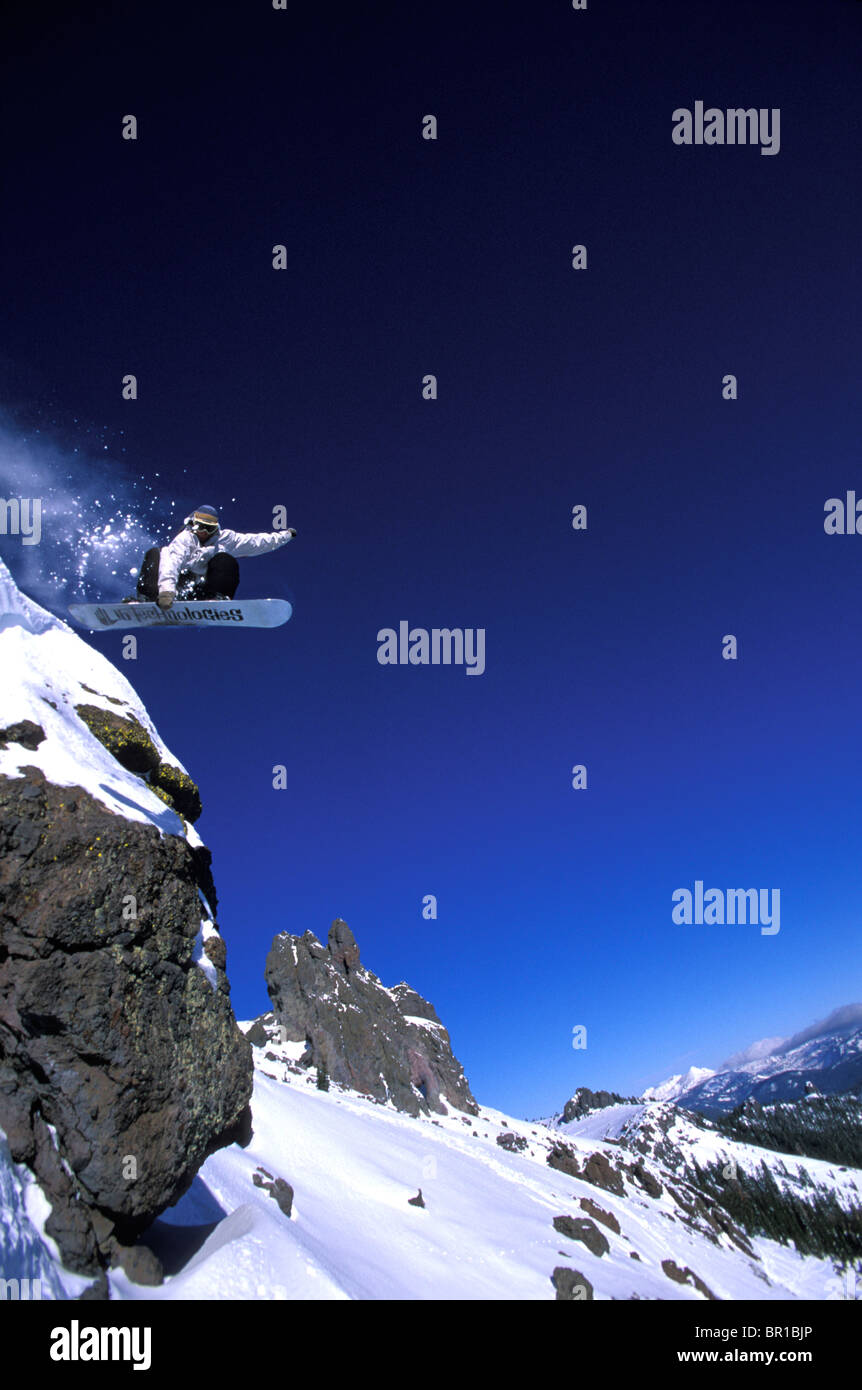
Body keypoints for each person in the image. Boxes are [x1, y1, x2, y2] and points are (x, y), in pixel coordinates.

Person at [133, 505, 297, 608]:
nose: (203, 532)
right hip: (175, 588)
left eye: (208, 528)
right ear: (192, 524)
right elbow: (172, 563)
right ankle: (146, 597)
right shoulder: (184, 539)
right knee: (156, 553)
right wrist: (167, 592)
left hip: (202, 589)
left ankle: (217, 598)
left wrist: (285, 536)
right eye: (199, 527)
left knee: (225, 559)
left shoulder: (224, 539)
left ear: (215, 528)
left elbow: (257, 542)